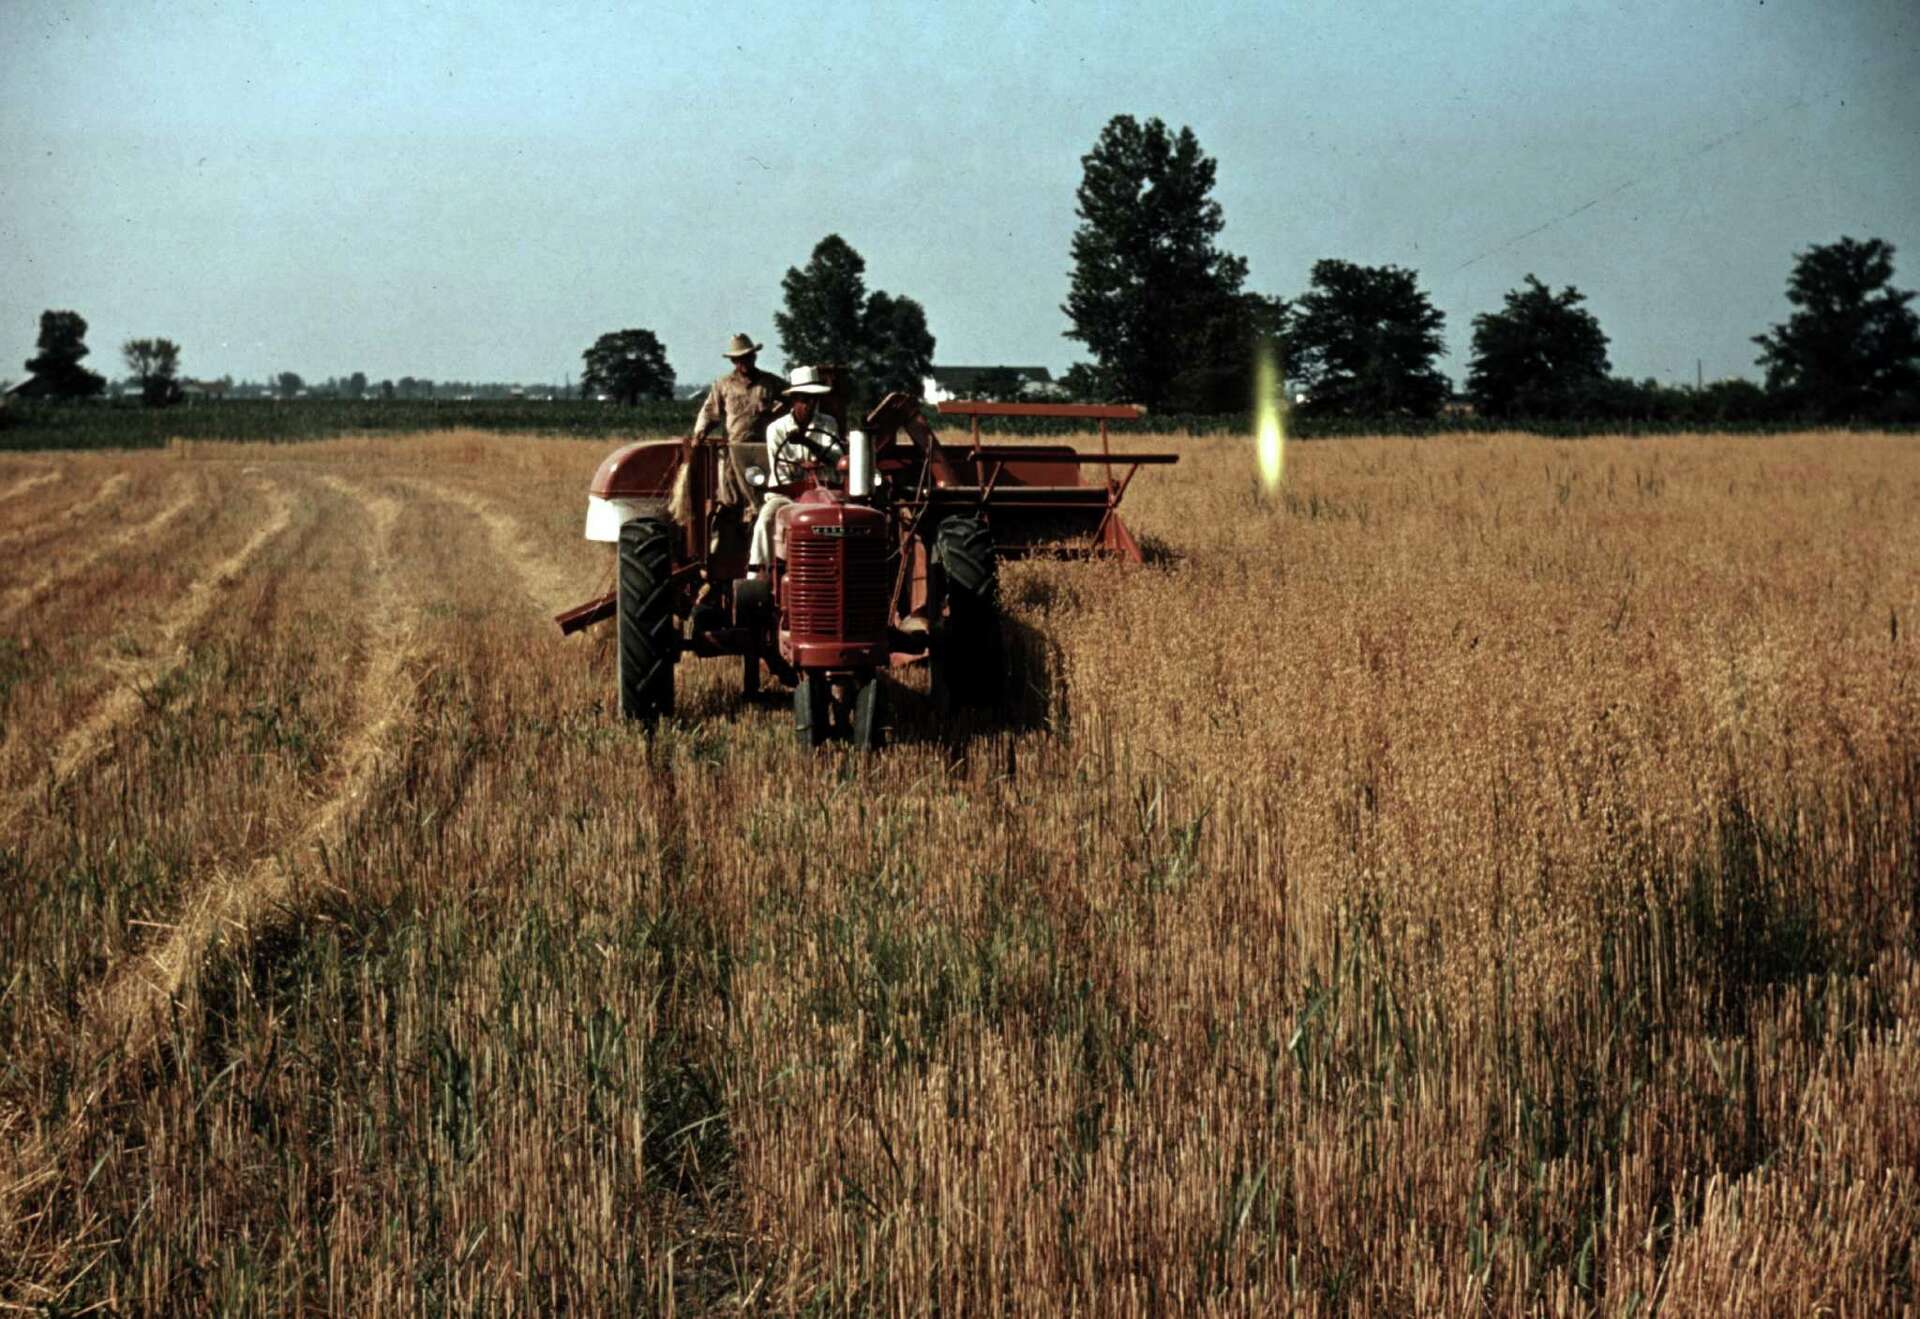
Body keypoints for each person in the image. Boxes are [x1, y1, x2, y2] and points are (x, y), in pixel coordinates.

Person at [748, 365, 843, 577]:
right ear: (794, 400)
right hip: (787, 496)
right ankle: (757, 575)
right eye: (805, 399)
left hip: (823, 494)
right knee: (765, 519)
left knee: (845, 520)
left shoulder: (828, 424)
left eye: (814, 399)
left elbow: (835, 456)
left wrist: (807, 444)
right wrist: (804, 468)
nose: (810, 405)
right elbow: (781, 474)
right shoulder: (776, 429)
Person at [692, 333, 786, 512]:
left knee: (763, 497)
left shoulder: (770, 382)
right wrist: (700, 433)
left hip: (763, 450)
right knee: (731, 498)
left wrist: (775, 411)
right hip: (733, 450)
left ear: (754, 357)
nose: (742, 363)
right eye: (737, 359)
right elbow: (710, 412)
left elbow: (791, 399)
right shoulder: (723, 384)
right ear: (733, 362)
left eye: (746, 358)